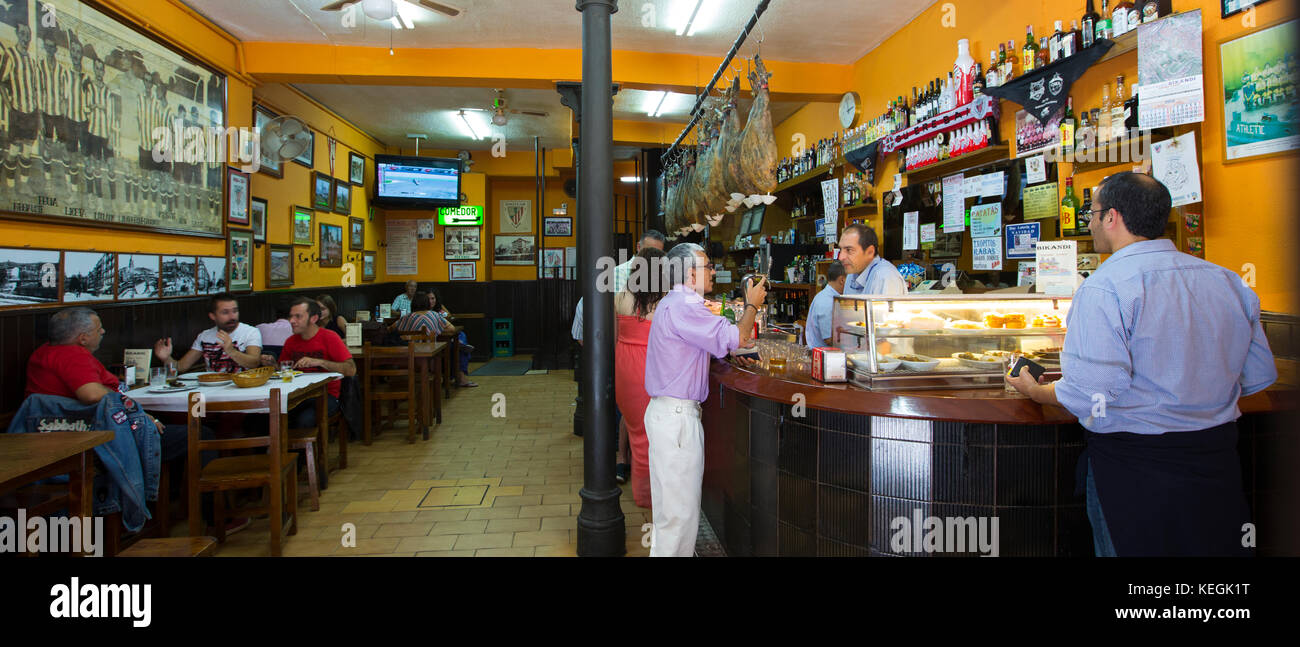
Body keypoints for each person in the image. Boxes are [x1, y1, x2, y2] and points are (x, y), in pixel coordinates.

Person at [1006, 172, 1276, 557]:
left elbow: (1090, 392)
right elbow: (1258, 376)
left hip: (1136, 468)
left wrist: (1037, 391)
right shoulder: (1229, 281)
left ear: (1112, 217)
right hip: (1217, 461)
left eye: (1093, 214)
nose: (1091, 223)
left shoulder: (1104, 286)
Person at [644, 243, 766, 556]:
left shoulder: (675, 302)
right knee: (679, 516)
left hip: (668, 415)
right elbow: (735, 338)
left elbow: (713, 345)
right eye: (708, 265)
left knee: (672, 514)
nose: (713, 271)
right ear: (690, 273)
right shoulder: (685, 304)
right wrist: (752, 305)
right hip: (676, 419)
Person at [25, 307, 186, 462]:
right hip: (94, 437)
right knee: (197, 434)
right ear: (83, 338)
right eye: (98, 329)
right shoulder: (73, 355)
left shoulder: (43, 352)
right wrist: (136, 412)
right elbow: (92, 394)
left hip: (56, 432)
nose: (103, 332)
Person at [615, 247, 669, 509]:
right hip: (651, 367)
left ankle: (644, 494)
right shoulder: (665, 301)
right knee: (651, 435)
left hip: (624, 366)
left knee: (637, 431)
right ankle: (649, 498)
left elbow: (615, 336)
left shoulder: (621, 297)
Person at [280, 297, 357, 429]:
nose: (292, 321)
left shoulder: (330, 337)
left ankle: (304, 449)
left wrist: (320, 362)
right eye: (291, 316)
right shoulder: (290, 341)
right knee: (263, 418)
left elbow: (351, 369)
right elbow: (282, 370)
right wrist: (271, 363)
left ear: (314, 318)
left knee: (303, 421)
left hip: (326, 395)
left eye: (298, 317)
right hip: (296, 395)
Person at [154, 293, 262, 374]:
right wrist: (166, 358)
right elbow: (181, 367)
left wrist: (231, 351)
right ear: (212, 316)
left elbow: (254, 362)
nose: (232, 316)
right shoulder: (205, 336)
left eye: (235, 311)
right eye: (225, 312)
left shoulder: (250, 332)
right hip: (212, 388)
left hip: (243, 387)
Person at [838, 224, 908, 296]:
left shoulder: (885, 276)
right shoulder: (852, 274)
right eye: (841, 249)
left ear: (870, 252)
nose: (841, 257)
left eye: (849, 250)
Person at [428, 289, 477, 387]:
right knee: (457, 347)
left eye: (433, 298)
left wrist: (441, 306)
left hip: (441, 341)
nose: (431, 301)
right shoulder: (431, 314)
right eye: (428, 299)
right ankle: (461, 377)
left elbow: (449, 315)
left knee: (458, 342)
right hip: (434, 344)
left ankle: (460, 344)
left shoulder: (438, 311)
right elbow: (451, 328)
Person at [804, 262, 847, 347]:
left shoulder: (827, 296)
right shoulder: (827, 301)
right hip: (823, 356)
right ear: (842, 280)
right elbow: (829, 339)